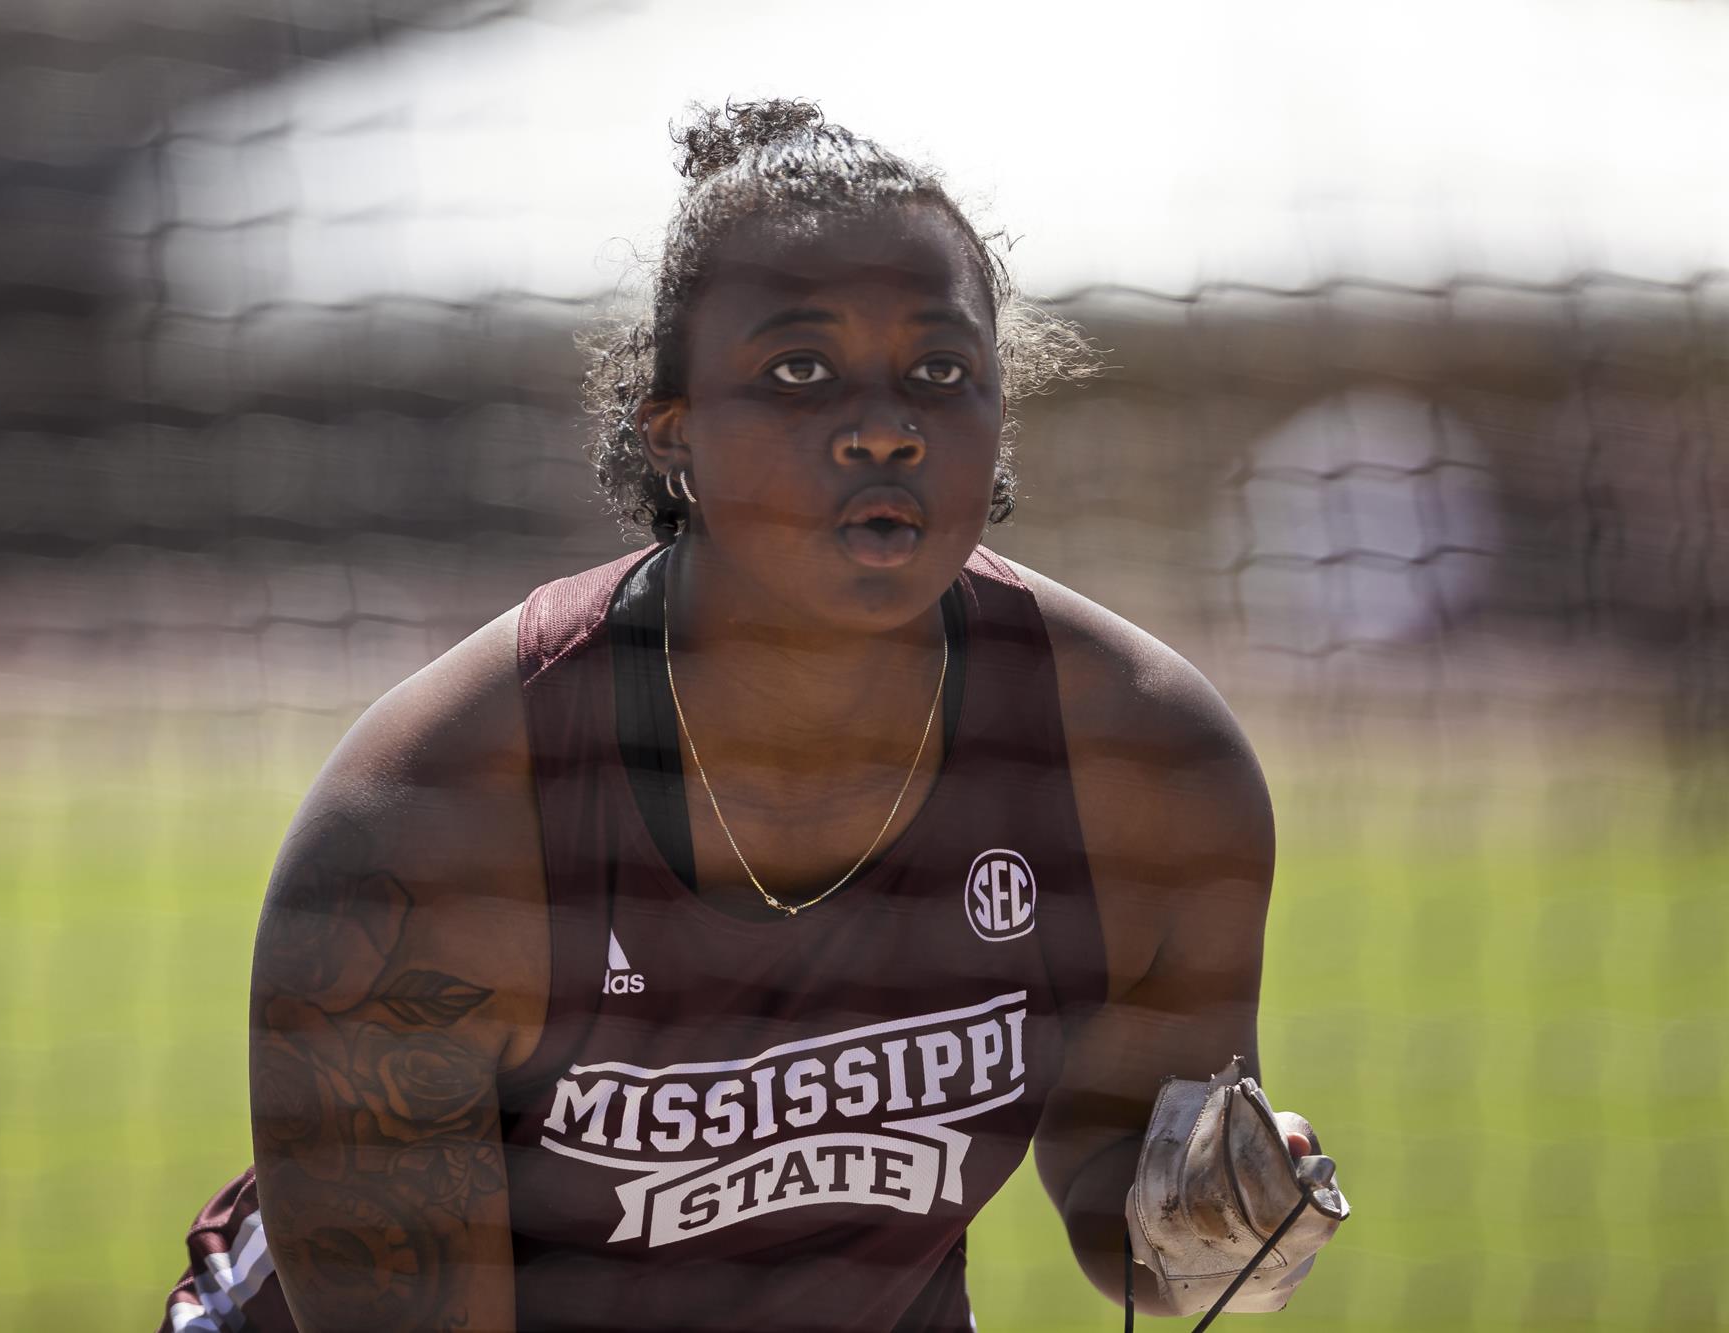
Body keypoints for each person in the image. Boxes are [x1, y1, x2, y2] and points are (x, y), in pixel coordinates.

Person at [155, 98, 1341, 1333]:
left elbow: (1133, 1224)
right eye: (797, 371)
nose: (883, 424)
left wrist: (1214, 1223)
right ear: (670, 435)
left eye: (940, 371)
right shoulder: (441, 817)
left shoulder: (1144, 764)